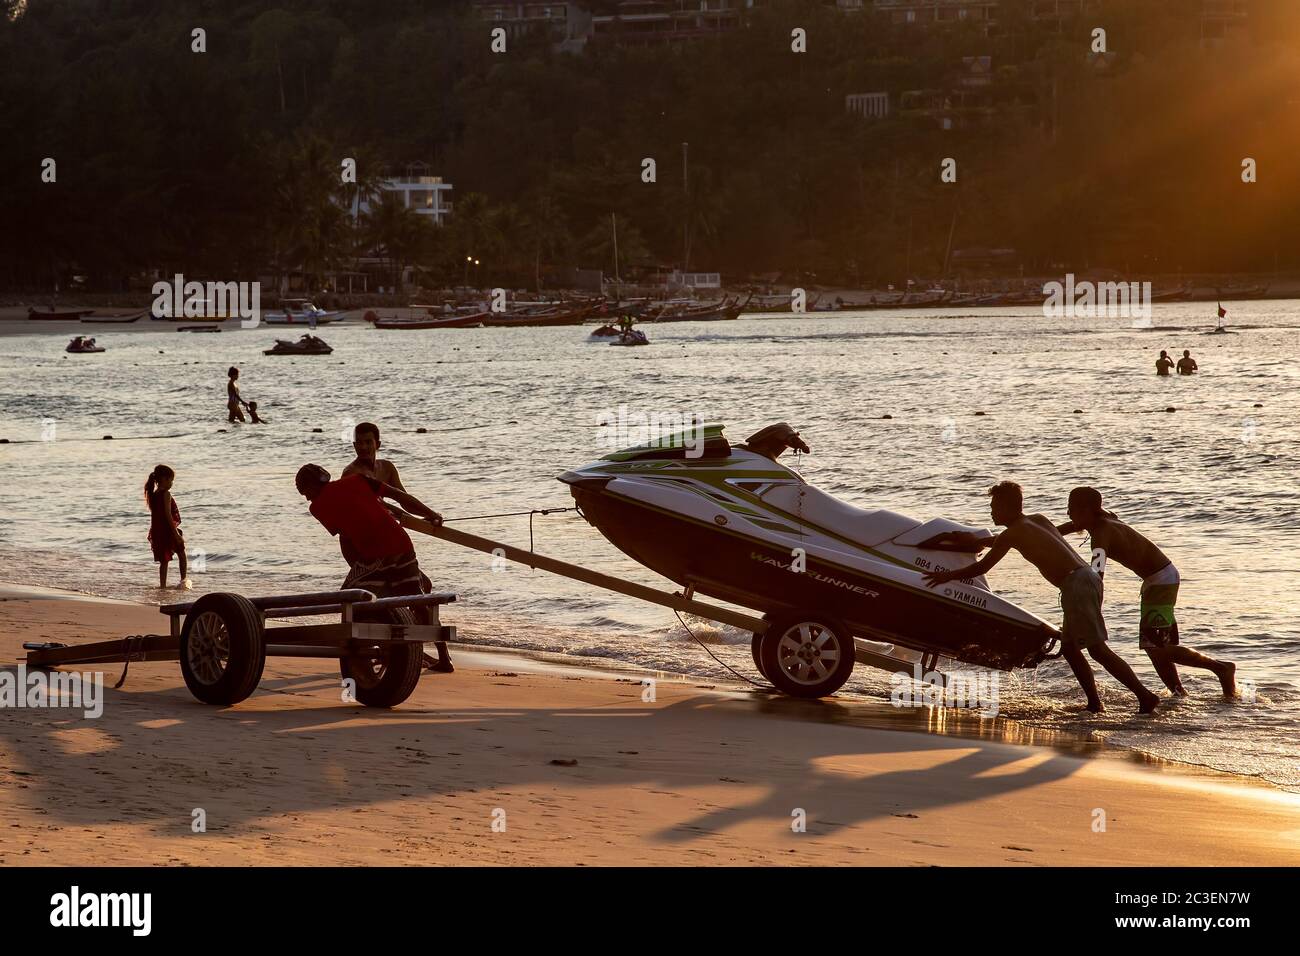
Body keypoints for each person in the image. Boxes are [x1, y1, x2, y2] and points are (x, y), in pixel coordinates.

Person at [922, 481, 1160, 714]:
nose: (991, 511)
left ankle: (1144, 696)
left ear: (1006, 508)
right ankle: (1095, 704)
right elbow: (1011, 540)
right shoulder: (1037, 520)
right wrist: (976, 542)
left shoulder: (1012, 533)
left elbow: (981, 567)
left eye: (994, 506)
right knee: (1069, 649)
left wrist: (946, 576)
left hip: (1076, 585)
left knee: (1097, 650)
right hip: (1086, 580)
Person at [1057, 487, 1235, 697]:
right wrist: (1047, 531)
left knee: (1157, 648)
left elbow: (1096, 576)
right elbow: (1073, 525)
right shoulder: (1105, 518)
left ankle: (1220, 668)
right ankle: (1179, 694)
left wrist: (1091, 610)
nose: (1068, 515)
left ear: (1086, 510)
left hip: (1160, 582)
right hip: (1162, 578)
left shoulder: (1100, 534)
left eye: (1071, 510)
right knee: (1157, 647)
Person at [296, 464, 454, 672]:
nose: (307, 498)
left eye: (306, 492)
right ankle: (444, 658)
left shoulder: (317, 507)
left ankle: (383, 652)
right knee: (416, 599)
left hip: (376, 554)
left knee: (351, 598)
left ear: (312, 486)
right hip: (403, 545)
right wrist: (431, 513)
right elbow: (399, 497)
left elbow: (346, 540)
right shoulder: (359, 480)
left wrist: (358, 569)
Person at [341, 423, 452, 672]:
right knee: (379, 600)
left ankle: (439, 655)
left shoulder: (387, 468)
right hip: (369, 550)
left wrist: (428, 516)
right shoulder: (351, 474)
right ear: (354, 445)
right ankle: (402, 650)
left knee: (423, 588)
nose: (364, 447)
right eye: (359, 443)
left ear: (378, 444)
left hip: (391, 545)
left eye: (368, 442)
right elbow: (362, 515)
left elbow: (400, 497)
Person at [145, 464, 190, 589]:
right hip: (168, 530)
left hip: (158, 531)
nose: (172, 483)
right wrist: (175, 534)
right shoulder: (166, 494)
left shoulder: (153, 494)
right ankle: (183, 581)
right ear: (164, 479)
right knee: (181, 554)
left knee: (164, 561)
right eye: (171, 480)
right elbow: (168, 515)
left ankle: (163, 586)